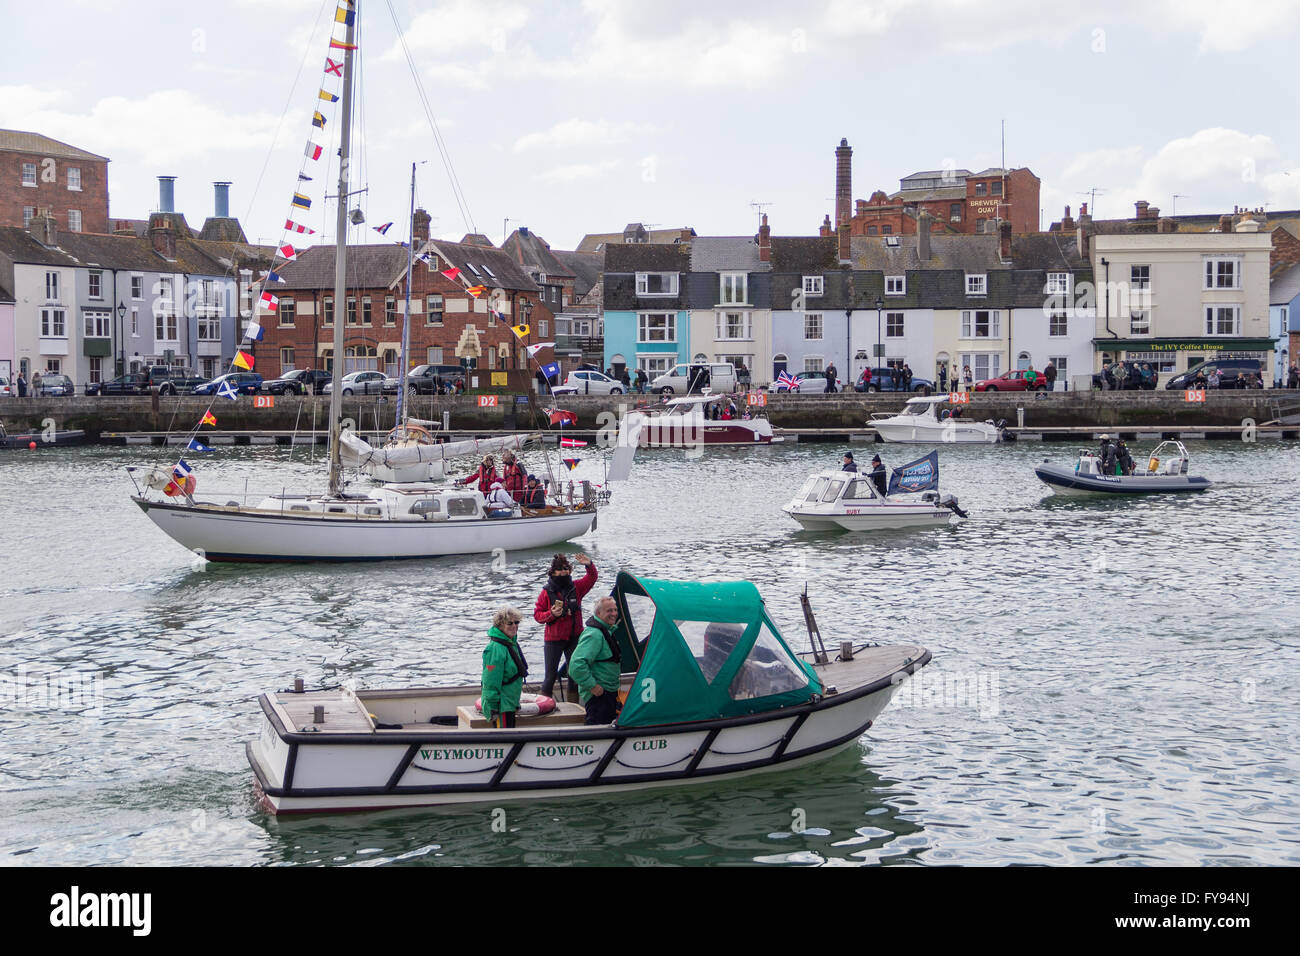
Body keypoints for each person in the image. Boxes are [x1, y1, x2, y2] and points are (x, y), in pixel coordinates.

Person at [534, 553, 598, 699]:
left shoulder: (577, 587)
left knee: (574, 675)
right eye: (560, 569)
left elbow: (592, 579)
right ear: (553, 572)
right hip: (553, 640)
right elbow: (537, 615)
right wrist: (551, 614)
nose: (564, 572)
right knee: (550, 676)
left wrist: (589, 565)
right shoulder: (546, 592)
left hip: (574, 638)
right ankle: (546, 706)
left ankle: (574, 706)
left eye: (566, 569)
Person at [569, 596, 622, 725]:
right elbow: (576, 665)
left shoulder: (606, 631)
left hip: (609, 693)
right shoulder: (594, 635)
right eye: (609, 611)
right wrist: (593, 686)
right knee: (598, 727)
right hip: (599, 696)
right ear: (598, 613)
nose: (614, 613)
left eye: (615, 610)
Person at [480, 606, 528, 728]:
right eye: (509, 623)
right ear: (500, 625)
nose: (514, 626)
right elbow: (490, 680)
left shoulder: (511, 643)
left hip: (510, 703)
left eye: (516, 622)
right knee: (504, 739)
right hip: (502, 706)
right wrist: (492, 707)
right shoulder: (495, 649)